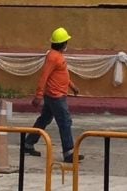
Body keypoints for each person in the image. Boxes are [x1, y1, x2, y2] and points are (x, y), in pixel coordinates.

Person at [25, 26, 83, 164]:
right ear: (63, 44)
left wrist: (72, 86)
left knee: (44, 119)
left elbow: (61, 75)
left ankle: (28, 144)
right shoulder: (53, 57)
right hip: (56, 96)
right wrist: (38, 95)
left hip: (55, 95)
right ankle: (69, 152)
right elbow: (44, 76)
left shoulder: (57, 56)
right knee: (65, 122)